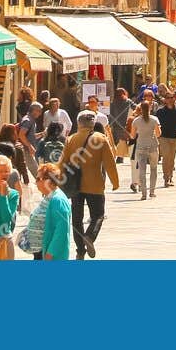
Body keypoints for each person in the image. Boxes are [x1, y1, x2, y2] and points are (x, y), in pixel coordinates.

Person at [59, 110, 119, 259]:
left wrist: (57, 181)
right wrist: (115, 181)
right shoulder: (100, 138)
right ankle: (90, 236)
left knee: (77, 219)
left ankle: (80, 251)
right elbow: (109, 162)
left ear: (78, 123)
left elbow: (62, 162)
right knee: (98, 215)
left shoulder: (71, 139)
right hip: (95, 184)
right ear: (93, 123)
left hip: (75, 185)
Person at [34, 162, 72, 261]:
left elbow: (62, 230)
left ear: (49, 181)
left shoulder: (57, 200)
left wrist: (50, 253)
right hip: (44, 250)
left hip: (53, 256)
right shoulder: (50, 197)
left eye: (38, 179)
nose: (35, 182)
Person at [130, 97, 162, 198]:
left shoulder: (136, 121)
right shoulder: (154, 119)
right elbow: (158, 134)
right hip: (153, 146)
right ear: (150, 108)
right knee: (153, 169)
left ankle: (144, 193)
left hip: (140, 146)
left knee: (142, 170)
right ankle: (152, 191)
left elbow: (132, 136)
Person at [156, 93, 176, 187]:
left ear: (175, 98)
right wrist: (155, 136)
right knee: (166, 157)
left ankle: (170, 177)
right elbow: (156, 125)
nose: (170, 99)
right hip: (163, 137)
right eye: (168, 98)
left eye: (171, 98)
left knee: (172, 158)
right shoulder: (160, 111)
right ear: (165, 99)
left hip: (175, 137)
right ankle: (166, 178)